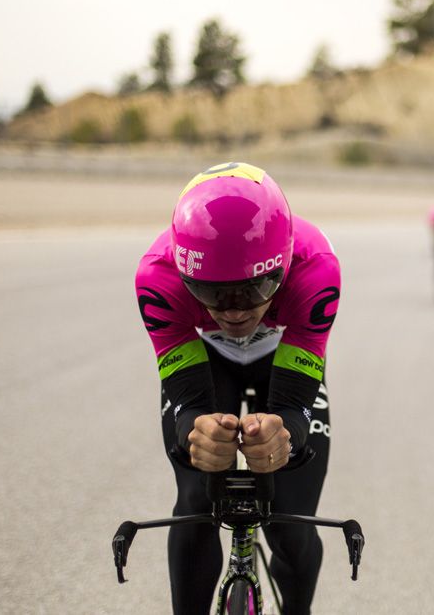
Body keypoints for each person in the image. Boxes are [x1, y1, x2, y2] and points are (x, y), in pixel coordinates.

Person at [134, 162, 340, 615]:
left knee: (291, 520)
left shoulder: (316, 268)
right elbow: (188, 403)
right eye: (208, 292)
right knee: (196, 500)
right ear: (184, 274)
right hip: (209, 360)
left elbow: (294, 407)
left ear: (283, 265)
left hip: (281, 355)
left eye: (254, 290)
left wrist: (289, 431)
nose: (233, 313)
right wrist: (194, 429)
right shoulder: (158, 276)